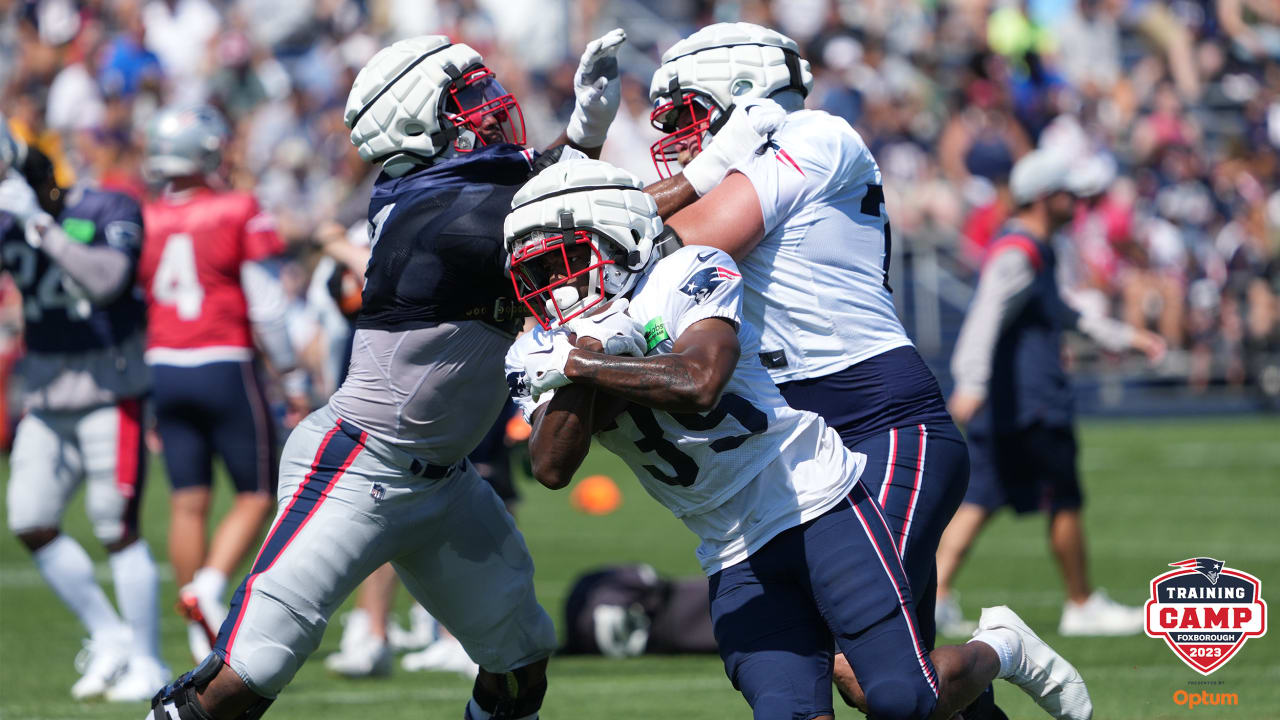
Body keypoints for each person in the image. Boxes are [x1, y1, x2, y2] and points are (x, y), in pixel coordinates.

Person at [145, 30, 629, 720]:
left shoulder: (451, 191)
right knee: (241, 678)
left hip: (445, 481)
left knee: (521, 666)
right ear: (415, 123)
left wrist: (585, 131)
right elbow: (568, 213)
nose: (492, 106)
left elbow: (546, 191)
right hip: (358, 466)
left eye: (485, 89)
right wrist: (719, 175)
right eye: (467, 98)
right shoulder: (447, 214)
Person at [504, 157, 1093, 720]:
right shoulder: (538, 348)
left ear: (619, 239)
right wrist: (590, 355)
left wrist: (586, 366)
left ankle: (1002, 646)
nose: (555, 284)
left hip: (817, 504)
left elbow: (700, 381)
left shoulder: (685, 273)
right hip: (730, 549)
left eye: (564, 259)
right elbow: (552, 465)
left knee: (898, 700)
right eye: (538, 271)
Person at [643, 21, 987, 716]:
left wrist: (689, 182)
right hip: (790, 453)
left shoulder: (814, 135)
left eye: (686, 113)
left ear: (743, 92)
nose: (676, 138)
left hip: (879, 422)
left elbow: (686, 242)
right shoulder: (728, 168)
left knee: (862, 667)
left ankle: (1003, 649)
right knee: (894, 681)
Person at [940, 148, 1167, 637]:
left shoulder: (1034, 248)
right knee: (1063, 499)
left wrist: (1126, 337)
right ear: (1044, 197)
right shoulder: (1019, 252)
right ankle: (1081, 604)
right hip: (1032, 406)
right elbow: (984, 316)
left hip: (1012, 407)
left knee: (980, 500)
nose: (1078, 202)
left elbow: (1064, 313)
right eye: (1069, 194)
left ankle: (935, 597)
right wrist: (970, 381)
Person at [0, 130, 166, 701]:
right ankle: (109, 635)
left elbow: (107, 282)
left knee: (116, 527)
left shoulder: (107, 207)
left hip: (110, 390)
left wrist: (40, 227)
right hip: (47, 398)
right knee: (29, 519)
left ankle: (148, 661)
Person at [136, 105, 302, 664]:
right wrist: (290, 373)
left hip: (164, 364)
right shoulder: (238, 208)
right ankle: (207, 589)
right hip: (223, 360)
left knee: (187, 501)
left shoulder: (146, 217)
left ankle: (195, 628)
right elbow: (268, 304)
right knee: (256, 493)